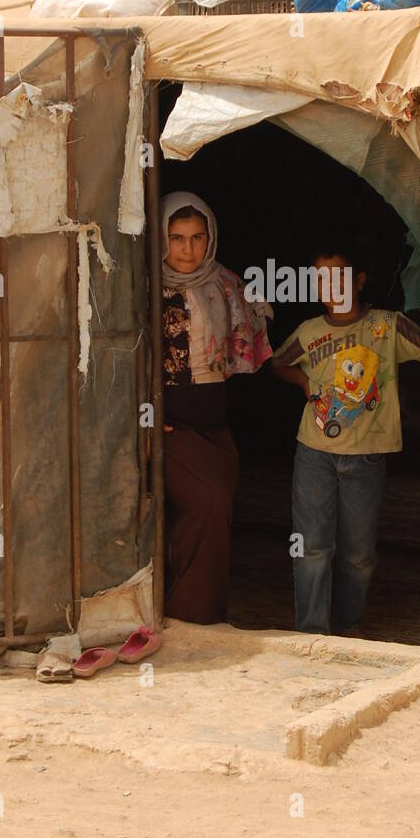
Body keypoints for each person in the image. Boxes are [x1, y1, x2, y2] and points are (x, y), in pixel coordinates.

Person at [272, 240, 420, 634]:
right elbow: (277, 363)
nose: (331, 286)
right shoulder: (309, 332)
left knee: (359, 556)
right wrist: (305, 381)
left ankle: (347, 627)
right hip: (315, 452)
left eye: (339, 276)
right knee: (311, 548)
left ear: (358, 280)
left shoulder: (384, 326)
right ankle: (312, 631)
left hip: (367, 456)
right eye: (320, 279)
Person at [161, 191, 271, 623]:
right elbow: (127, 353)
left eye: (197, 237)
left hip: (215, 427)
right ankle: (190, 616)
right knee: (207, 507)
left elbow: (247, 358)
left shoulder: (227, 285)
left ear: (210, 239)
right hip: (170, 425)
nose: (188, 249)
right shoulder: (144, 287)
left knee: (212, 516)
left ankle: (194, 610)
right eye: (176, 238)